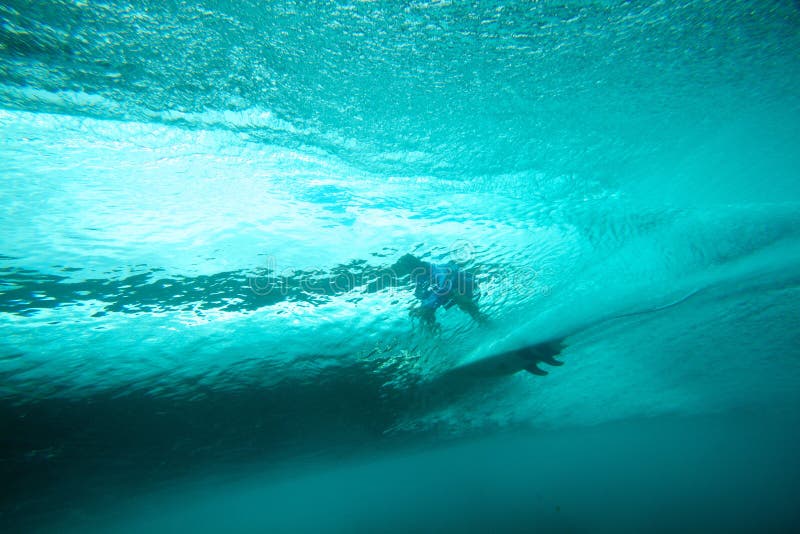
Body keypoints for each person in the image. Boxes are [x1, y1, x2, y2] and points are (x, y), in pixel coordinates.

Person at [391, 253, 487, 330]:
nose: (408, 273)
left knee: (454, 295)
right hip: (446, 293)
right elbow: (422, 294)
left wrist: (427, 306)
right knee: (425, 314)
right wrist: (421, 307)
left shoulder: (439, 270)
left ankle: (483, 321)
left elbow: (444, 288)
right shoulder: (419, 276)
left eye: (408, 270)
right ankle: (434, 337)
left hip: (465, 287)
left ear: (414, 266)